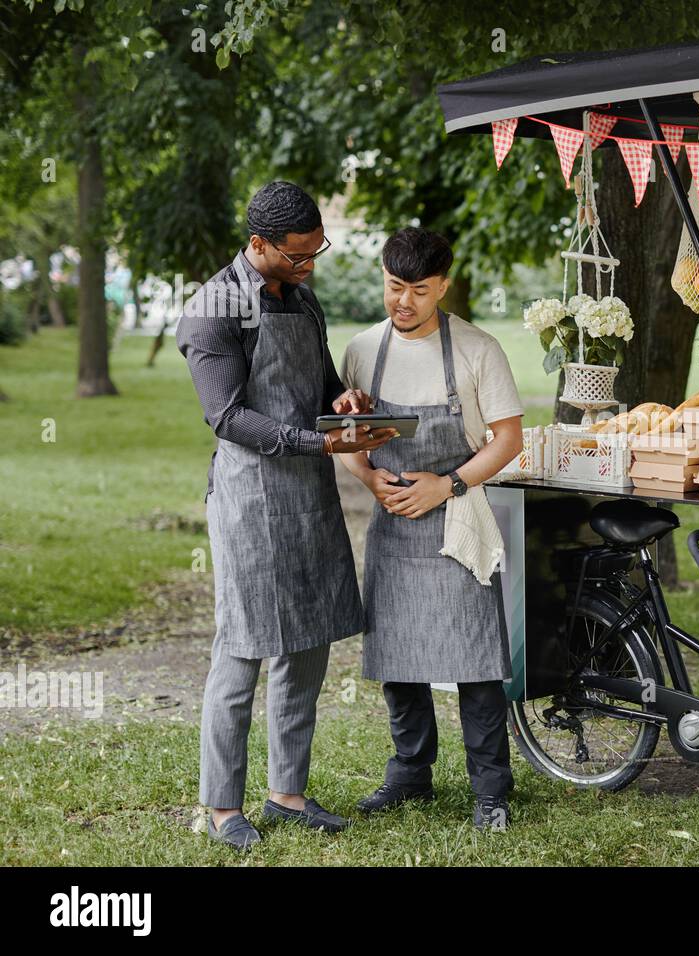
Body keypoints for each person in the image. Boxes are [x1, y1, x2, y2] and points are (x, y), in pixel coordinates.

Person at [178, 181, 396, 850]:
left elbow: (320, 383)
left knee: (307, 643)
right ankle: (221, 808)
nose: (310, 266)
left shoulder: (301, 297)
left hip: (307, 493)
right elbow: (227, 416)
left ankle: (286, 794)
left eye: (316, 252)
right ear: (257, 245)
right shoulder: (213, 310)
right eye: (298, 256)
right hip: (250, 499)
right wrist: (320, 442)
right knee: (242, 649)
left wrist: (347, 400)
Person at [338, 227, 524, 831]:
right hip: (393, 522)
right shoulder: (363, 350)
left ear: (443, 285)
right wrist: (368, 479)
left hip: (458, 519)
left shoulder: (477, 349)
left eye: (419, 290)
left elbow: (508, 440)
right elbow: (345, 437)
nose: (404, 302)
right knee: (399, 658)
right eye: (395, 287)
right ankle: (410, 774)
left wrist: (448, 485)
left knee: (474, 661)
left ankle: (491, 789)